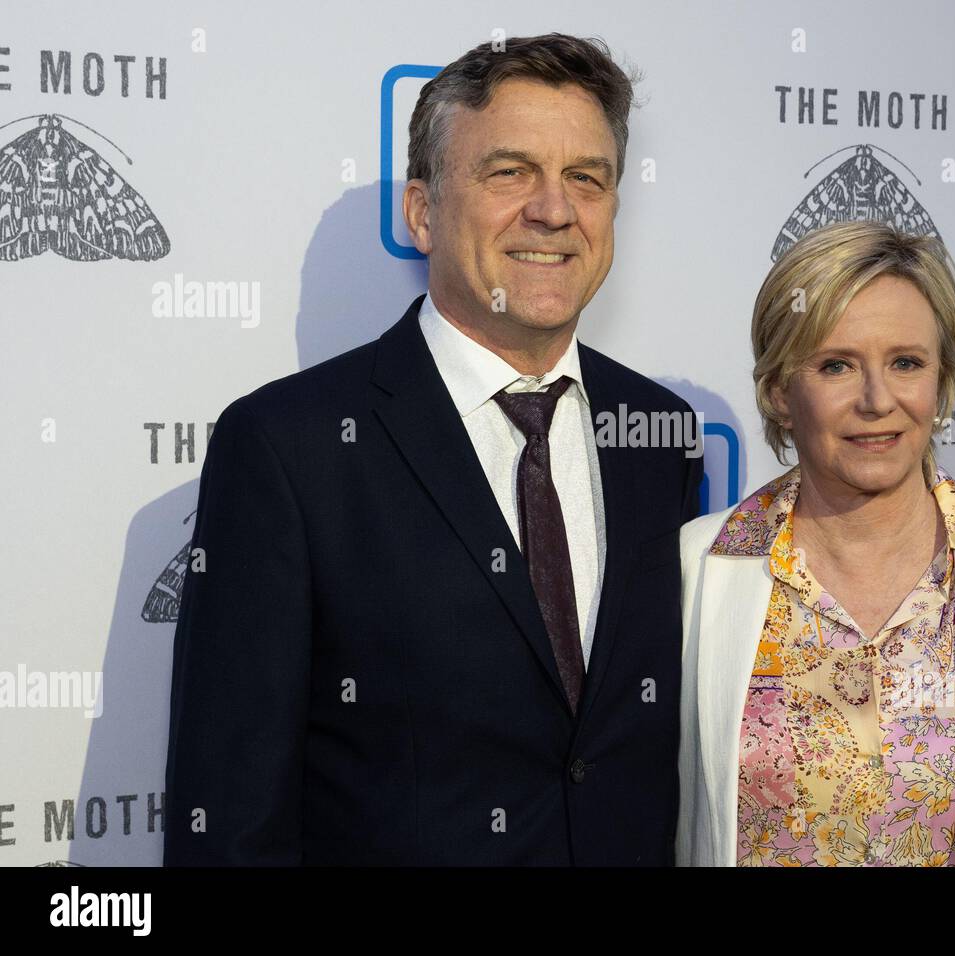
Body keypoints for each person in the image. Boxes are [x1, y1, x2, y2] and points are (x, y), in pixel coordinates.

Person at [164, 33, 702, 866]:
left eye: (586, 178)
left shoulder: (659, 434)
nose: (553, 210)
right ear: (422, 212)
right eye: (509, 172)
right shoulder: (286, 449)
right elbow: (230, 821)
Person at [677, 220, 955, 866]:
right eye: (836, 365)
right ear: (780, 391)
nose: (877, 400)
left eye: (906, 363)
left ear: (942, 383)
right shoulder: (695, 570)